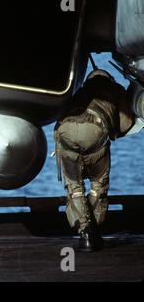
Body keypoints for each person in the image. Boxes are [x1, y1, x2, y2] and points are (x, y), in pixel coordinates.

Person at [54, 69, 134, 252]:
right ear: (109, 79)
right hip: (94, 130)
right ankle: (93, 232)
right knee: (99, 185)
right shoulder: (115, 90)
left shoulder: (79, 90)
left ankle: (85, 231)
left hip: (65, 130)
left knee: (74, 187)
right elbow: (126, 124)